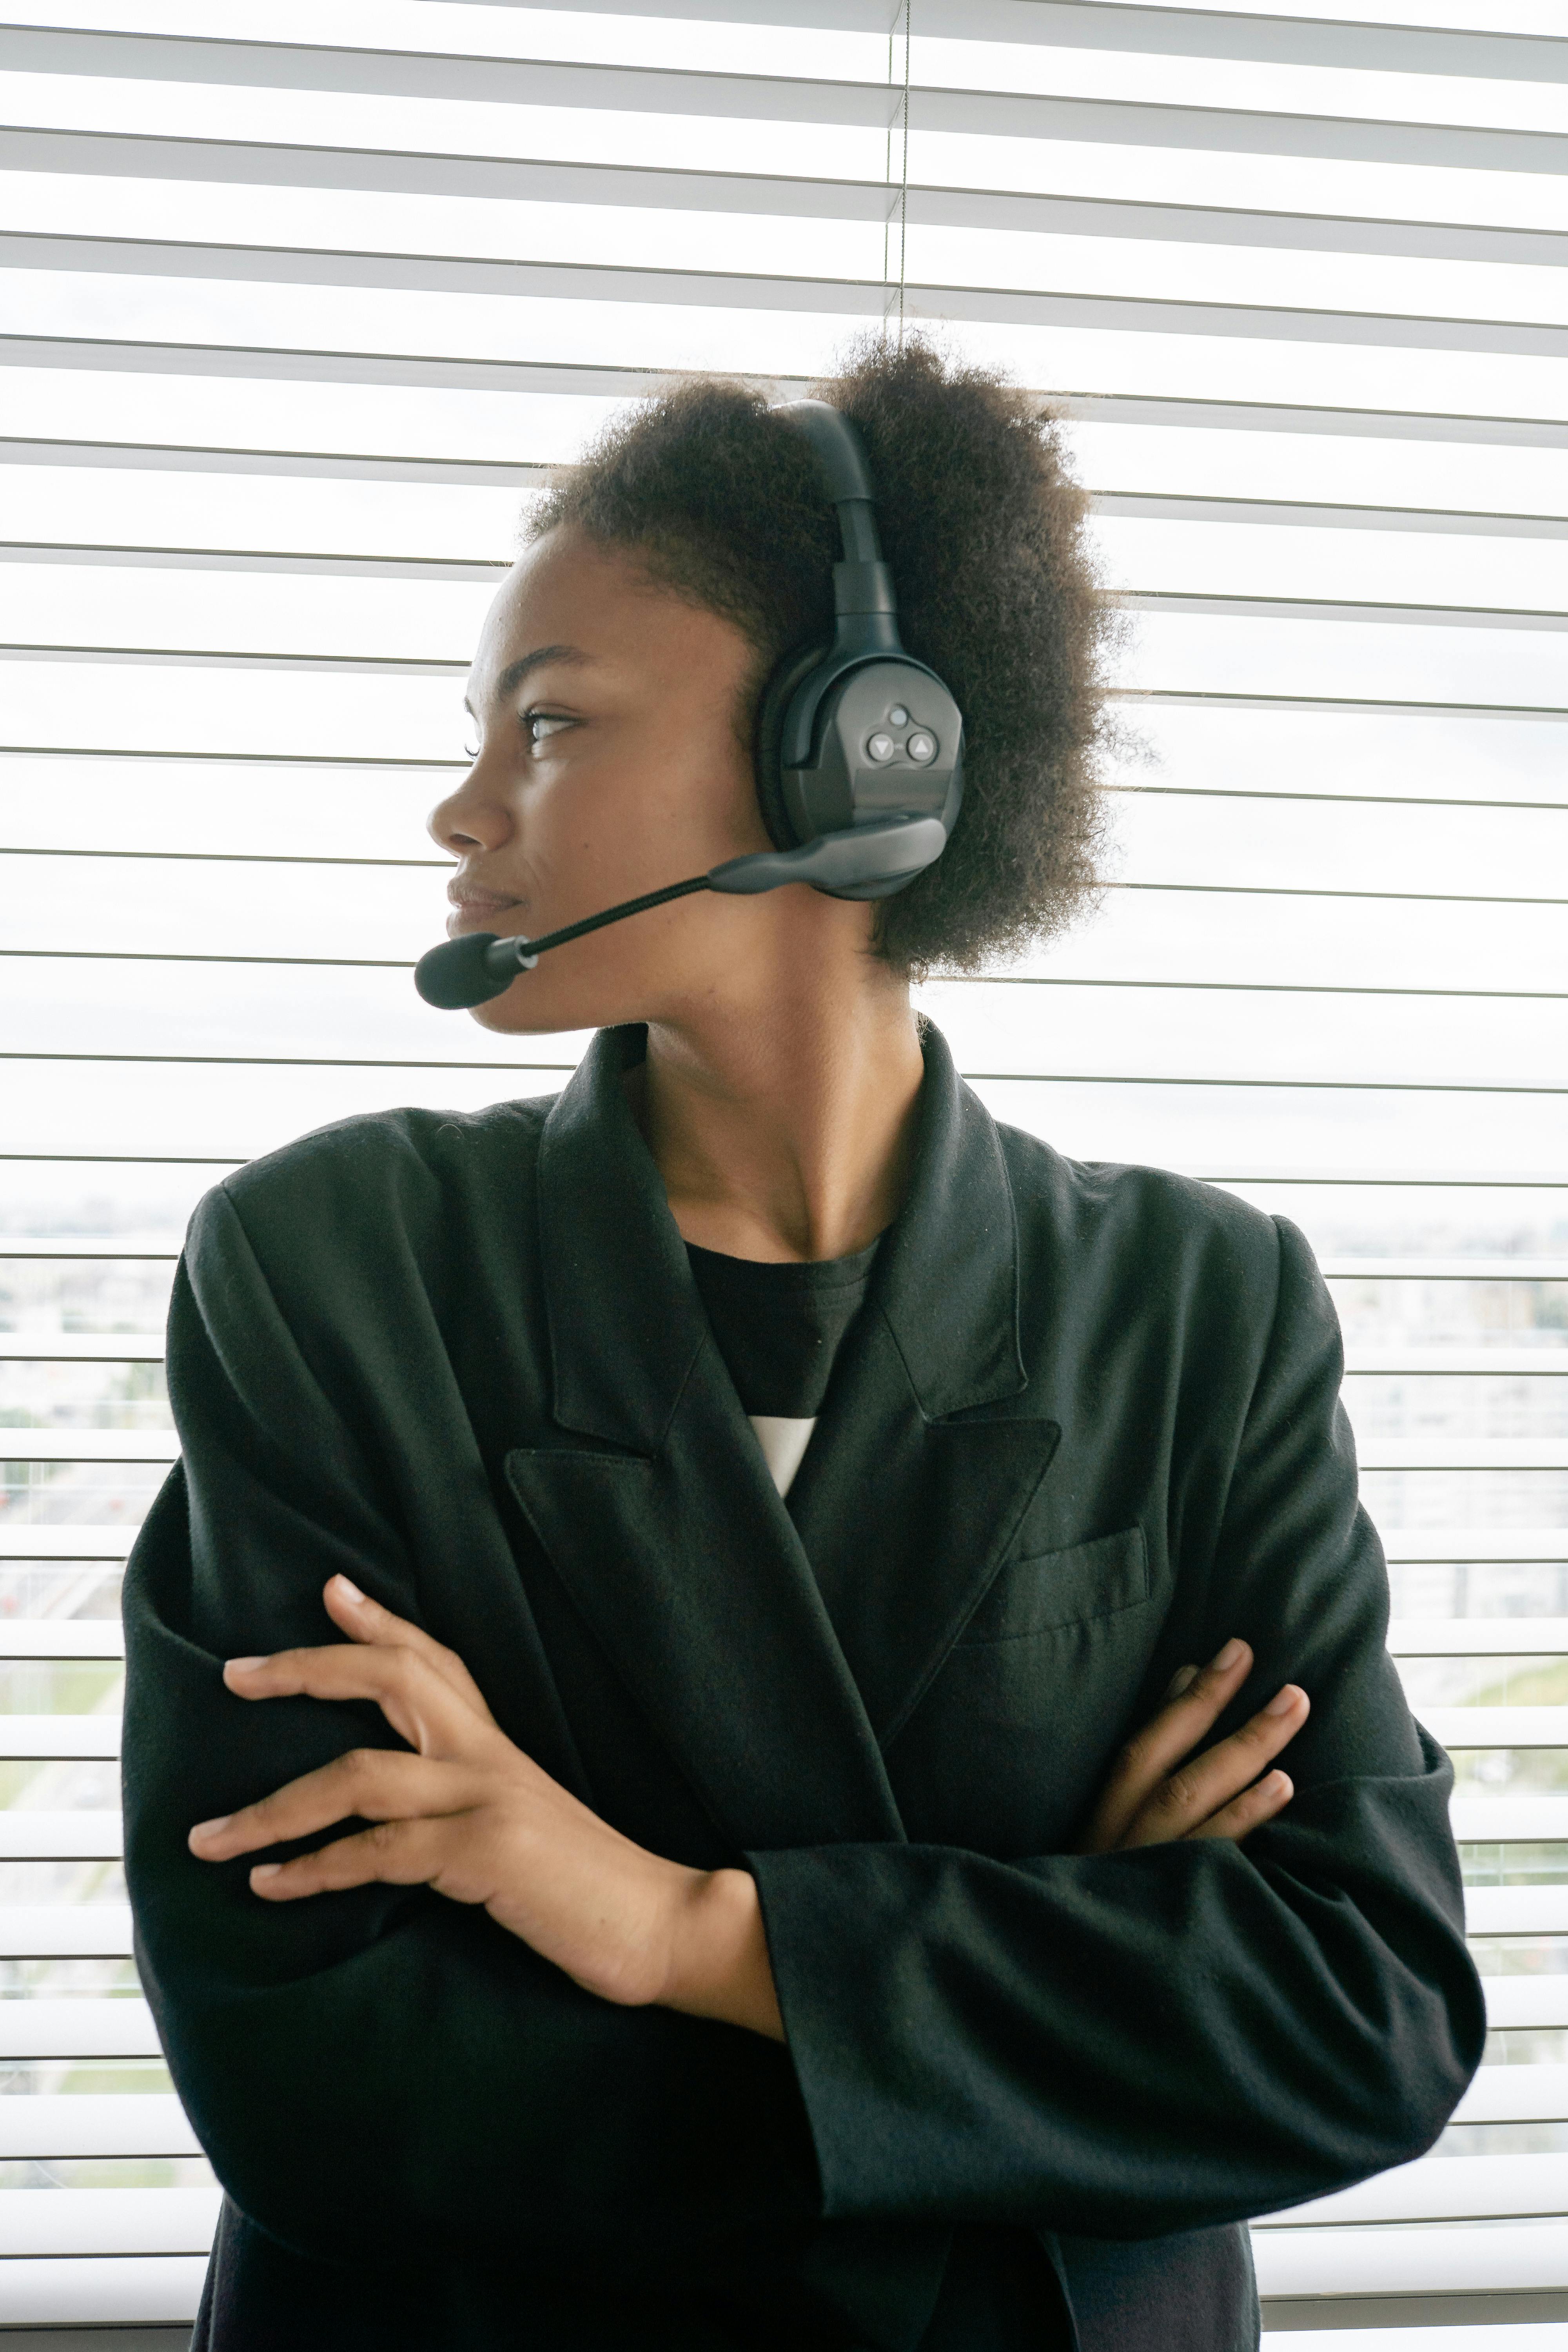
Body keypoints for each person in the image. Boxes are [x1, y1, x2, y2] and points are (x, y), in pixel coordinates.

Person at [122, 340, 1482, 2352]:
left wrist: (667, 1926)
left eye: (554, 725)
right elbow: (322, 2082)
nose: (462, 806)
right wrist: (1043, 1995)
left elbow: (1355, 2014)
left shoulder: (1207, 1306)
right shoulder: (336, 1266)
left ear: (867, 756)